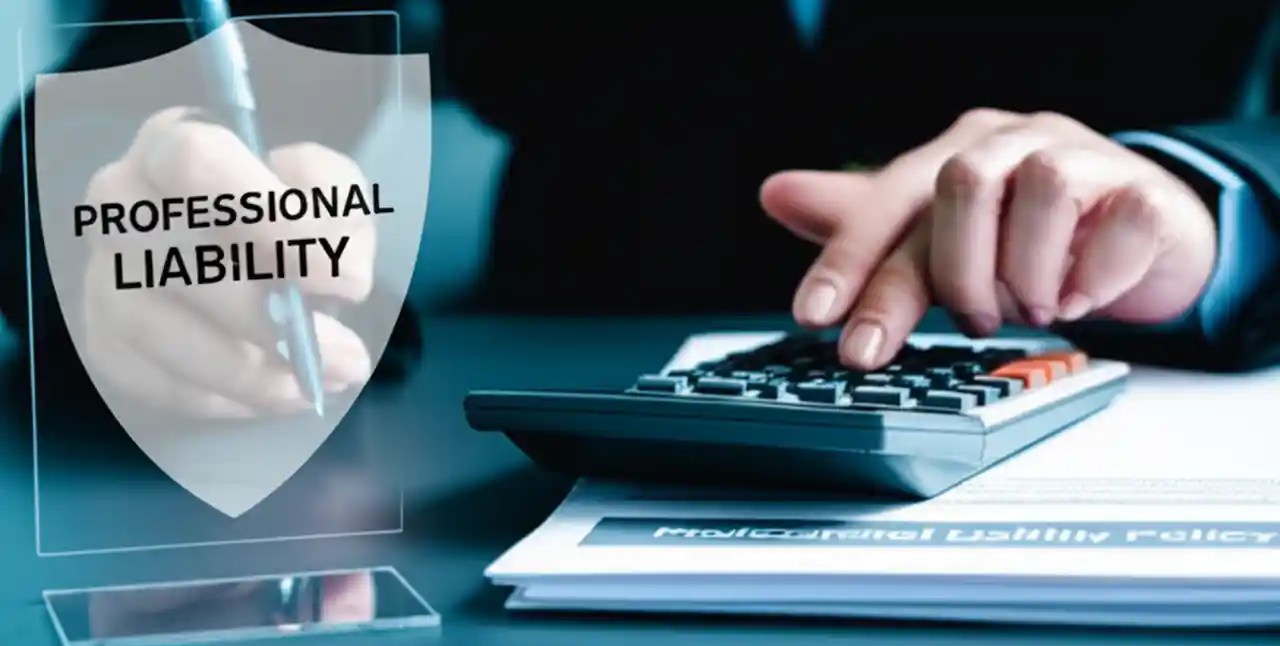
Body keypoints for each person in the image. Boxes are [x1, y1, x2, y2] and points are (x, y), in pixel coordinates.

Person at [3, 1, 1280, 419]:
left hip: (1123, 381)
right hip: (539, 432)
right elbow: (149, 74)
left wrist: (1215, 204)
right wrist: (115, 204)